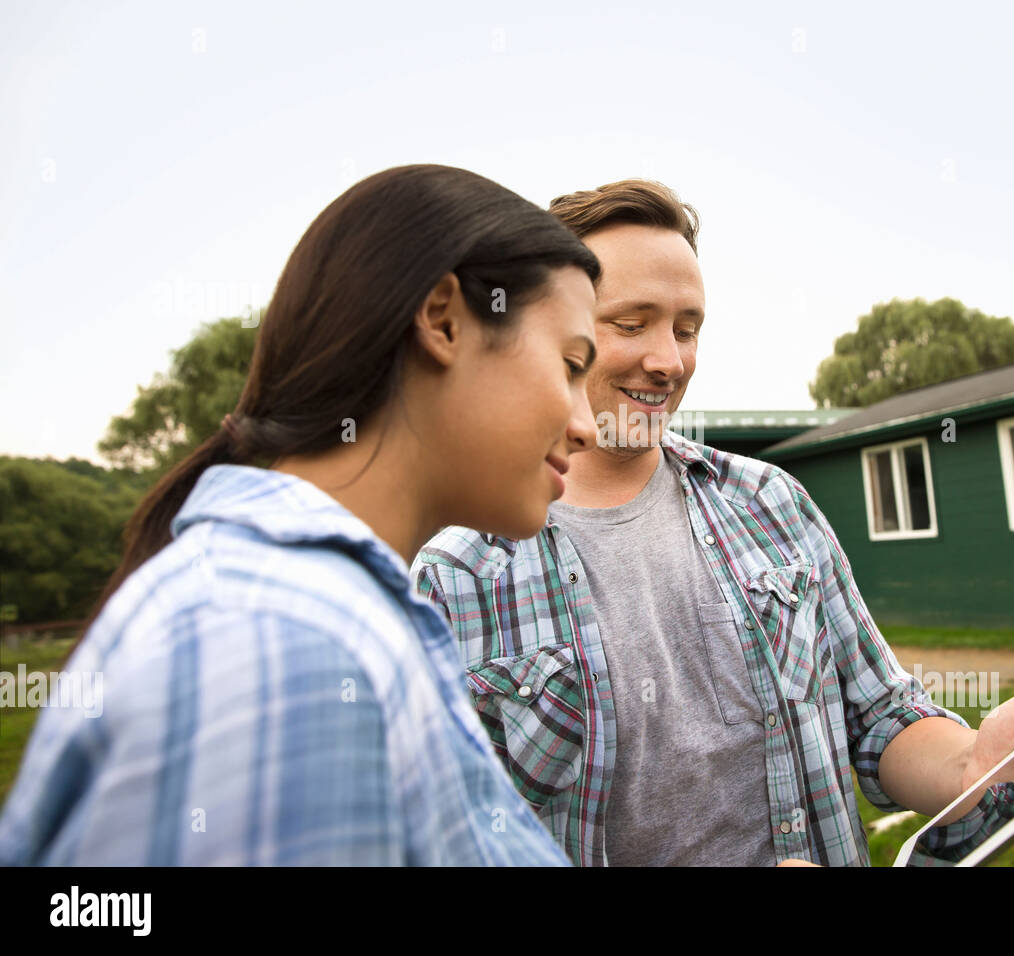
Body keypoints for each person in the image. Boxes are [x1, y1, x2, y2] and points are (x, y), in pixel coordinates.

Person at [412, 179, 1014, 866]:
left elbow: (879, 713)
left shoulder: (771, 501)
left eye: (689, 329)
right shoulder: (460, 573)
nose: (670, 361)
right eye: (632, 324)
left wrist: (975, 764)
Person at [0, 164, 602, 865]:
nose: (587, 425)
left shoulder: (322, 615)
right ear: (443, 321)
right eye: (570, 363)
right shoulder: (290, 640)